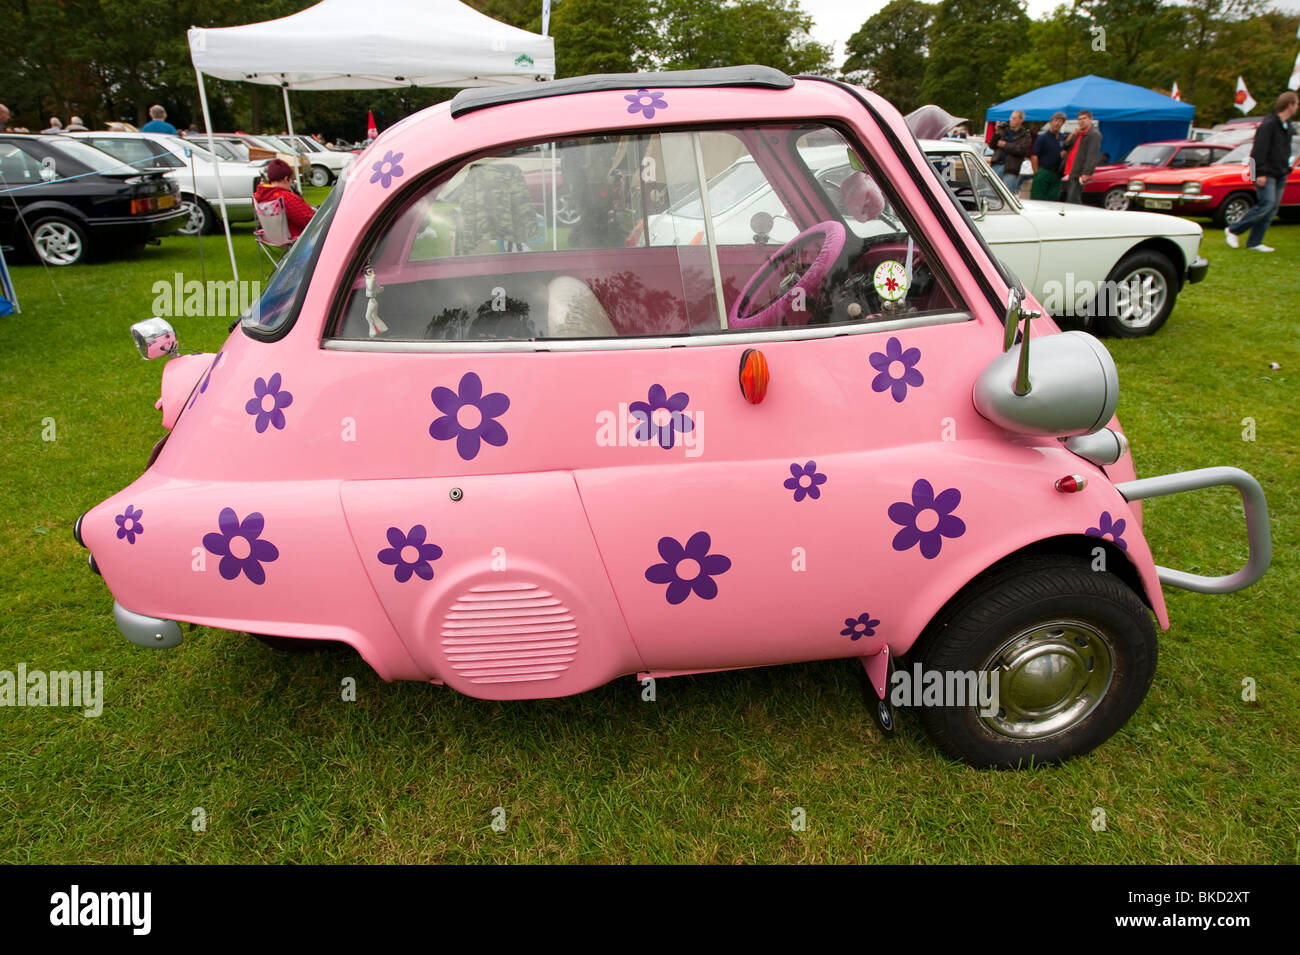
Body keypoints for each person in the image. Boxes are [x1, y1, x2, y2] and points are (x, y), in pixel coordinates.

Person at [1226, 90, 1298, 252]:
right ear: (1289, 105)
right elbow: (1257, 151)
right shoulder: (1269, 124)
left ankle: (1255, 242)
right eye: (1297, 103)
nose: (1297, 107)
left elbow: (1283, 151)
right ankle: (1233, 229)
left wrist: (1286, 168)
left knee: (1272, 209)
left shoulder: (1287, 126)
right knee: (1267, 204)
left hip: (1280, 173)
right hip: (1265, 172)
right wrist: (1258, 173)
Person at [253, 159, 315, 239]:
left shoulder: (259, 197)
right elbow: (309, 221)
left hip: (272, 237)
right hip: (297, 238)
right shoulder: (286, 198)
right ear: (286, 179)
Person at [1060, 109, 1101, 204]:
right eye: (1079, 119)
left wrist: (1086, 173)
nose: (1081, 121)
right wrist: (1072, 135)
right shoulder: (1079, 133)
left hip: (1079, 171)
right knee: (1069, 197)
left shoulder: (1094, 134)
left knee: (1073, 198)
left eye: (1084, 119)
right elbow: (1065, 146)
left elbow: (1092, 155)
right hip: (1070, 170)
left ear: (1090, 119)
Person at [993, 110, 1032, 193]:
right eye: (1011, 118)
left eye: (1014, 118)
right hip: (997, 165)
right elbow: (992, 145)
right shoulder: (1004, 131)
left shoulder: (1025, 135)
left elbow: (1021, 150)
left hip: (1011, 169)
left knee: (1007, 194)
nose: (1011, 120)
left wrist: (1005, 145)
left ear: (1021, 120)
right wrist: (996, 132)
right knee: (990, 192)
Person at [1030, 111, 1067, 200]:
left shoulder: (1063, 138)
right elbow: (1034, 156)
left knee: (1053, 200)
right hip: (1044, 171)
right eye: (1055, 121)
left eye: (1060, 121)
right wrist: (1036, 174)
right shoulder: (1042, 137)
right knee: (1038, 199)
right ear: (1051, 122)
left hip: (1057, 173)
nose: (1057, 124)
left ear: (1062, 124)